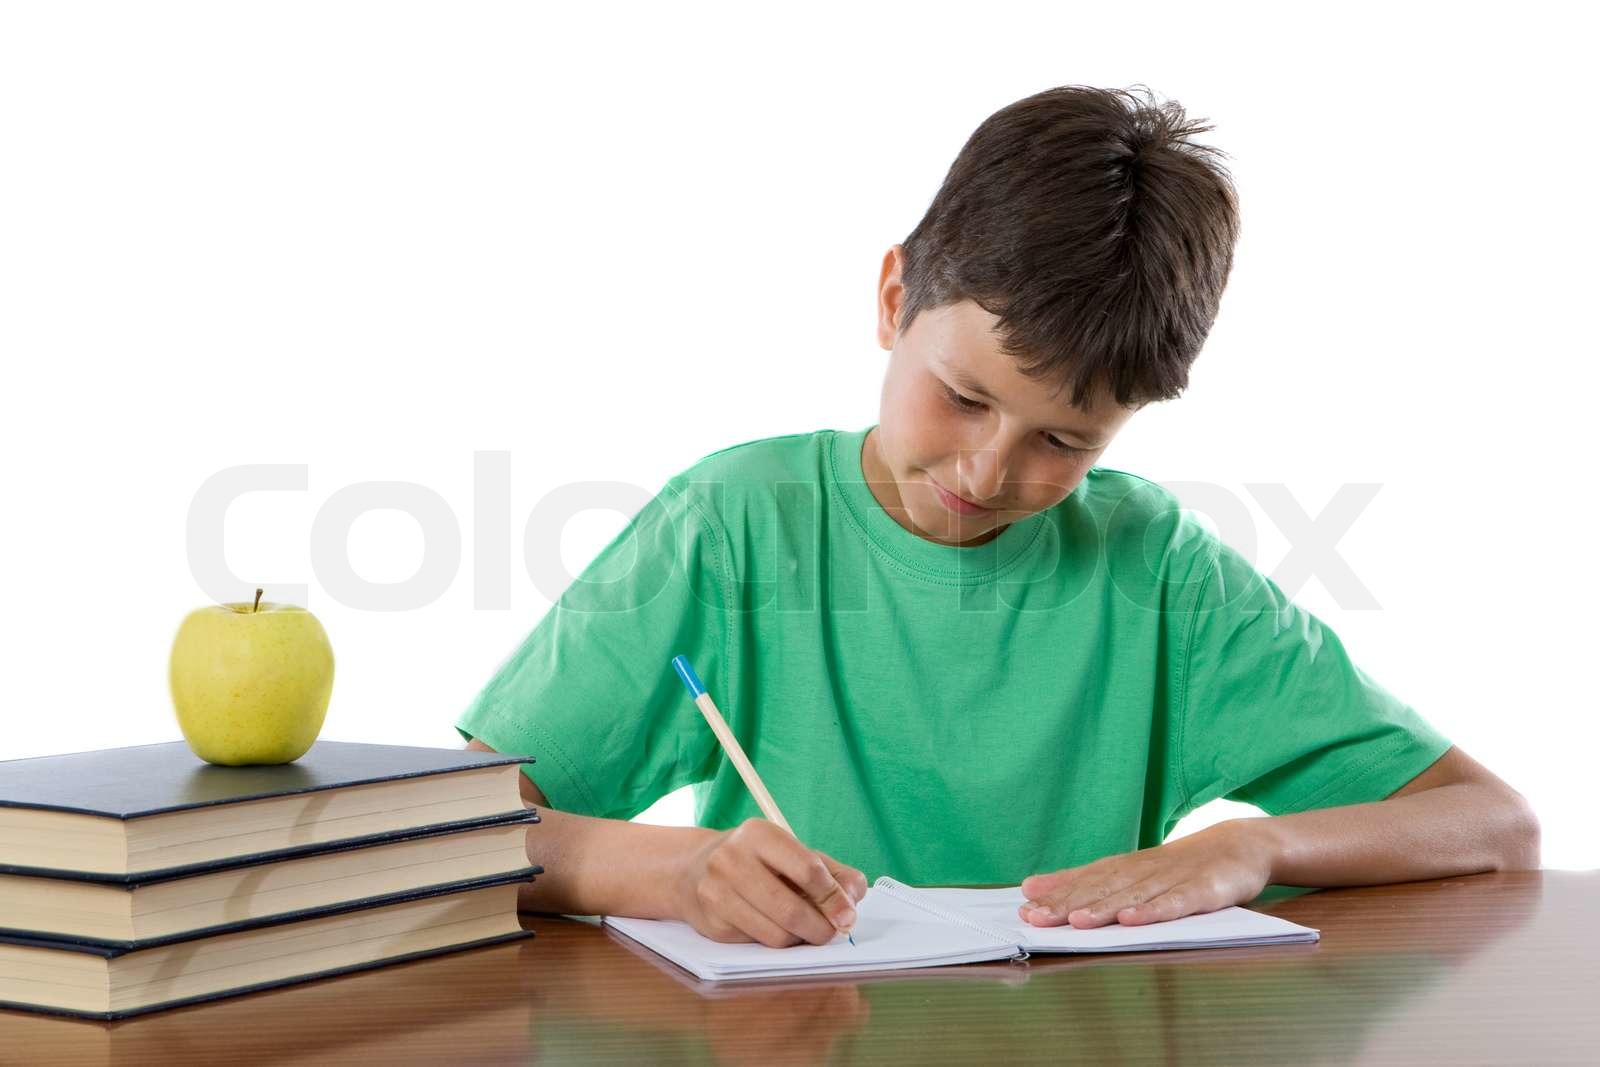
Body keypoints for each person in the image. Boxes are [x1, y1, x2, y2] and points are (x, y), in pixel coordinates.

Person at [457, 85, 1539, 947]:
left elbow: (1494, 824)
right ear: (893, 300)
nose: (985, 468)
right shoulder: (734, 521)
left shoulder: (1150, 566)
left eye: (1064, 441)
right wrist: (676, 873)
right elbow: (448, 839)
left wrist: (1252, 846)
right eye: (963, 397)